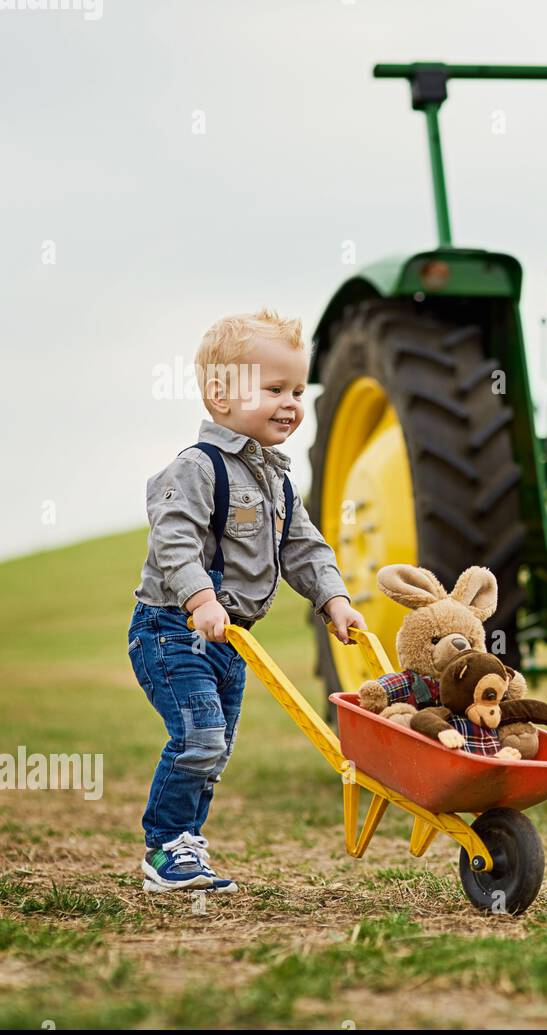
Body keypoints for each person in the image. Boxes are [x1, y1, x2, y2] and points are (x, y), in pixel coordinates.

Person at [128, 309, 366, 892]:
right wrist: (201, 598)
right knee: (200, 736)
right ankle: (166, 849)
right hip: (172, 629)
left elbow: (304, 548)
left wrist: (333, 598)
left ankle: (187, 840)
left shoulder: (277, 481)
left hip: (230, 641)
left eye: (297, 390)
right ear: (220, 395)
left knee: (216, 746)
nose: (291, 402)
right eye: (273, 389)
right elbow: (173, 539)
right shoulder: (196, 468)